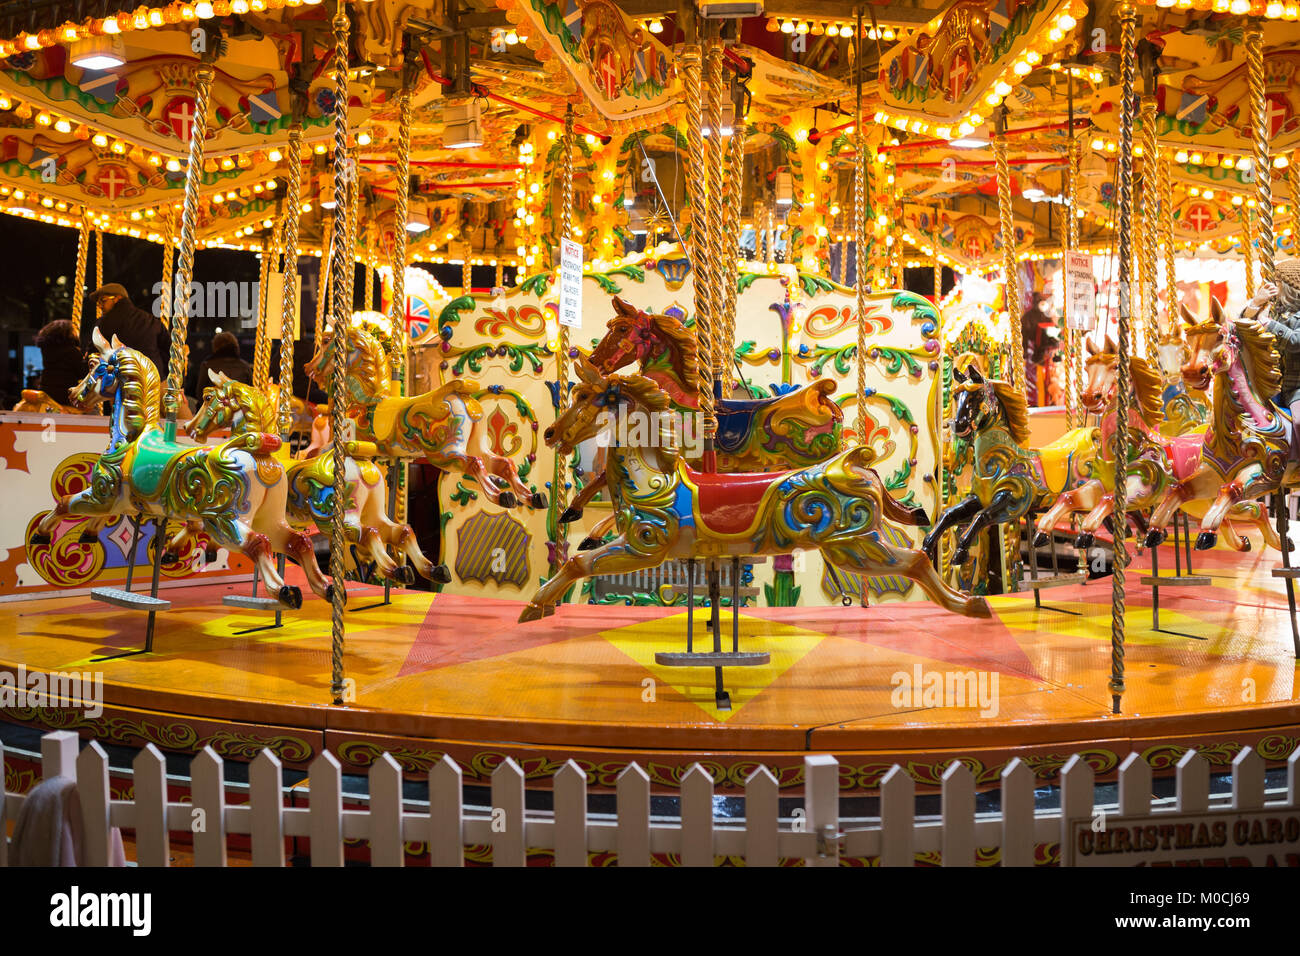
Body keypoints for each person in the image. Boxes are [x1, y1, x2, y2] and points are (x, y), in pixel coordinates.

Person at [81, 283, 167, 374]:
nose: (99, 305)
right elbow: (166, 349)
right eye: (98, 303)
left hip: (121, 382)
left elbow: (93, 354)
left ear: (117, 298)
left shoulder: (103, 324)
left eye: (103, 300)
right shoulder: (151, 320)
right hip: (152, 378)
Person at [34, 319, 86, 406]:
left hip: (47, 390)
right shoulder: (72, 352)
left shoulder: (47, 350)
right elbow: (83, 372)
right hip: (65, 394)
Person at [192, 331, 253, 397]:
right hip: (239, 406)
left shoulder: (207, 366)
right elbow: (250, 391)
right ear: (235, 346)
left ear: (215, 346)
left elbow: (200, 392)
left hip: (213, 406)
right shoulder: (244, 366)